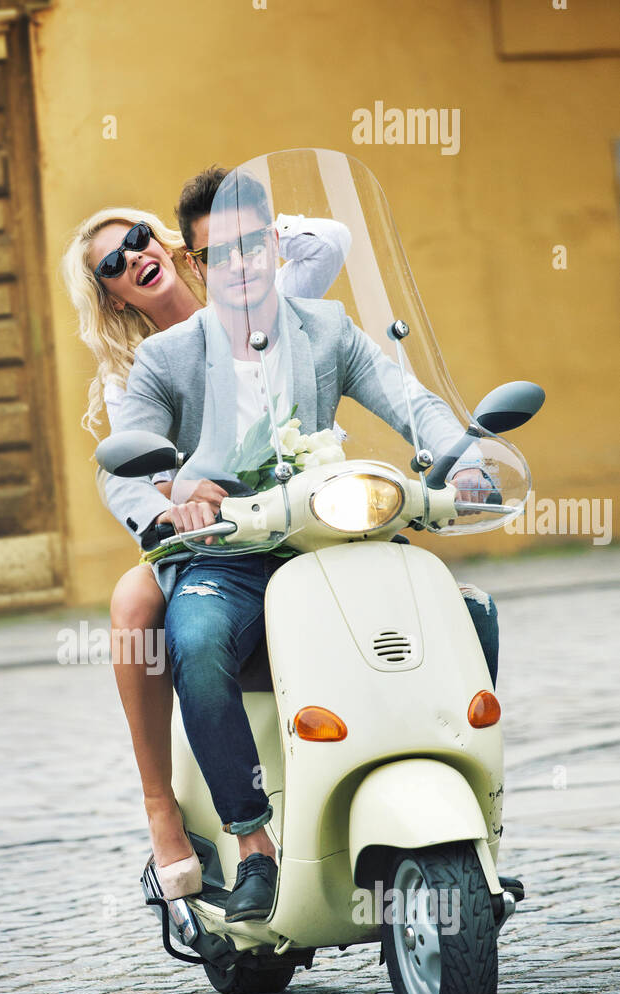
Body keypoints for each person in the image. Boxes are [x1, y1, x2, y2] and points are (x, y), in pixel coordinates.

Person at [103, 167, 499, 923]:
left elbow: (409, 401)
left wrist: (467, 460)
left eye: (253, 244)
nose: (241, 263)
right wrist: (170, 501)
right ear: (194, 263)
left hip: (328, 541)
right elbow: (124, 465)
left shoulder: (327, 329)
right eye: (219, 252)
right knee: (196, 638)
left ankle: (465, 816)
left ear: (272, 242)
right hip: (225, 555)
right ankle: (252, 846)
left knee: (468, 612)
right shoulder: (166, 359)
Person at [61, 170, 351, 899]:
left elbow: (333, 243)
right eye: (111, 265)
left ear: (165, 241)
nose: (131, 258)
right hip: (206, 532)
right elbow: (132, 468)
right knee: (134, 611)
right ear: (111, 294)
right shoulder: (131, 370)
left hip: (303, 513)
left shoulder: (263, 290)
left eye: (136, 239)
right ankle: (162, 804)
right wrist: (178, 493)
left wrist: (247, 233)